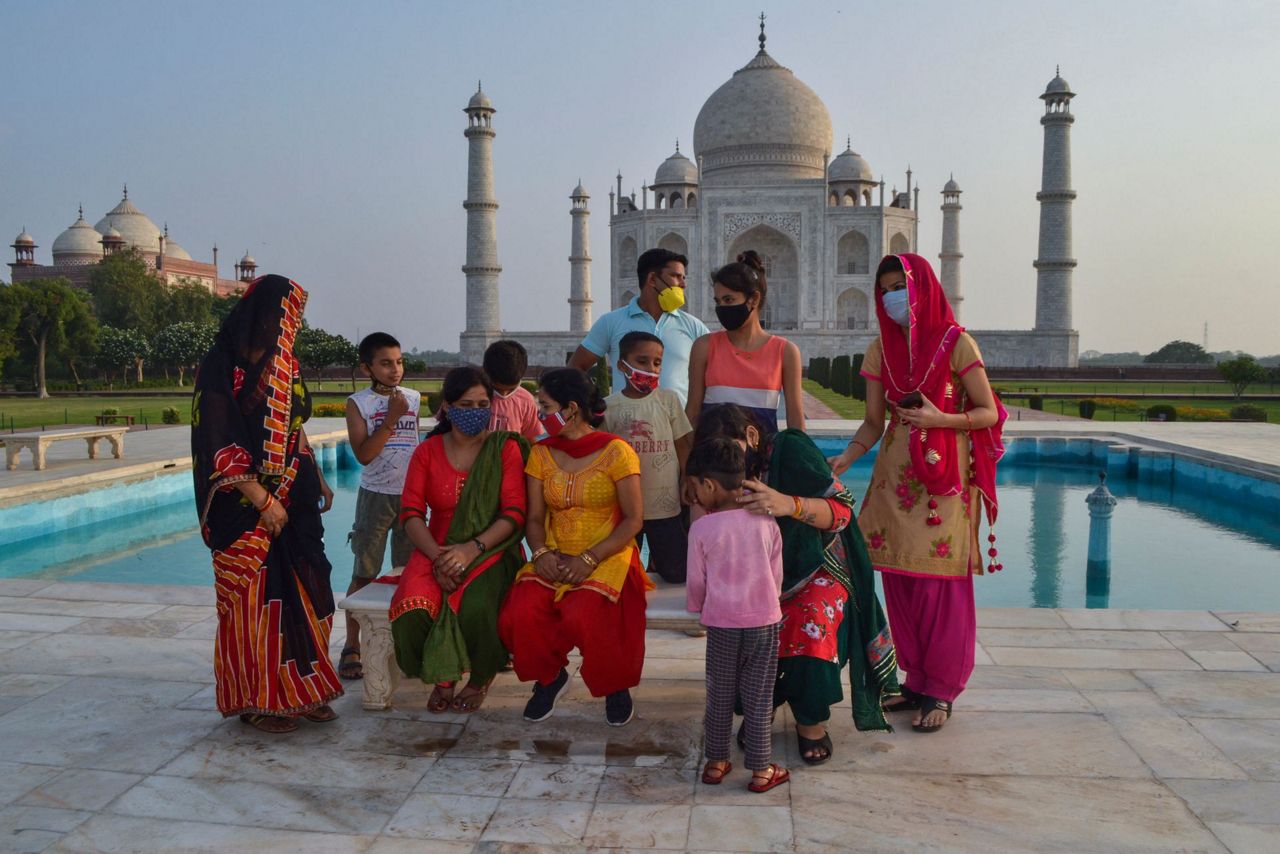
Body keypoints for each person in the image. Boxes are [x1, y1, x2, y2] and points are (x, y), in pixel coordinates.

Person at [828, 253, 1007, 733]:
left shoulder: (955, 343)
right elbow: (872, 422)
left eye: (899, 286)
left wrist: (940, 420)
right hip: (894, 478)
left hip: (943, 482)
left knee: (938, 587)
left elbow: (989, 412)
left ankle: (942, 690)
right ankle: (915, 680)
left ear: (922, 287)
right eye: (883, 289)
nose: (891, 298)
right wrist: (846, 458)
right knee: (901, 584)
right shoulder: (880, 349)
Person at [692, 403, 899, 763]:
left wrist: (788, 504)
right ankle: (762, 710)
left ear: (752, 436)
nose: (724, 458)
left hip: (816, 569)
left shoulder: (790, 449)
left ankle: (810, 722)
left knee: (808, 625)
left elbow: (842, 513)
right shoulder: (720, 474)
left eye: (730, 446)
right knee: (740, 631)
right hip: (757, 580)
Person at [191, 274, 341, 734]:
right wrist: (261, 499)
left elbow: (294, 426)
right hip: (243, 504)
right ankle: (257, 698)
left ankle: (304, 688)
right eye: (288, 313)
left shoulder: (288, 363)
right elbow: (216, 435)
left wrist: (315, 473)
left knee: (308, 585)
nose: (293, 323)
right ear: (267, 314)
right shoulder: (222, 363)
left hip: (294, 491)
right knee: (256, 600)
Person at [498, 367, 649, 726]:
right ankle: (550, 678)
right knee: (518, 614)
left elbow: (633, 520)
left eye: (545, 406)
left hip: (607, 551)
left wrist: (590, 557)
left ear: (571, 407)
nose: (540, 415)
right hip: (553, 551)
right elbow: (534, 519)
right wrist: (541, 554)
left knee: (586, 612)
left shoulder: (616, 451)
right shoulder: (541, 454)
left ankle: (615, 687)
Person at [391, 366, 529, 713]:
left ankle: (481, 677)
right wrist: (439, 557)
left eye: (483, 404)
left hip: (493, 547)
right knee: (413, 609)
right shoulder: (428, 451)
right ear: (447, 408)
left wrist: (471, 549)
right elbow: (410, 513)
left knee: (476, 606)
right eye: (466, 404)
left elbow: (513, 513)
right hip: (434, 546)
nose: (476, 412)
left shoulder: (504, 449)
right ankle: (444, 675)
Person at [686, 438, 789, 793]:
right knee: (759, 697)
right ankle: (761, 770)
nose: (694, 494)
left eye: (695, 486)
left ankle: (716, 762)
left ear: (710, 485)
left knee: (719, 694)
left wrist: (699, 609)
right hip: (764, 622)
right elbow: (776, 575)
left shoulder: (702, 528)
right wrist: (769, 602)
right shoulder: (767, 522)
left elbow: (696, 579)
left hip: (721, 625)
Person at [340, 332, 421, 680]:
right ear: (367, 367)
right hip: (375, 496)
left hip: (410, 496)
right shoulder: (358, 403)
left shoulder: (413, 398)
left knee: (406, 572)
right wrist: (390, 418)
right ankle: (352, 644)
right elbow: (364, 455)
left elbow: (414, 447)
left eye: (399, 362)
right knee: (365, 571)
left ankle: (403, 640)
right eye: (386, 363)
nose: (395, 370)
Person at [602, 331, 694, 583]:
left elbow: (682, 444)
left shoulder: (668, 400)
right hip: (624, 507)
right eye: (642, 361)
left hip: (664, 505)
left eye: (656, 363)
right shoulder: (609, 407)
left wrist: (687, 478)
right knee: (621, 574)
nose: (650, 369)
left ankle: (655, 562)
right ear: (622, 365)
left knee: (677, 573)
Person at [569, 247, 709, 404]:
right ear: (652, 280)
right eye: (676, 276)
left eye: (683, 277)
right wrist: (592, 406)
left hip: (679, 426)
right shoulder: (612, 322)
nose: (683, 284)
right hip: (625, 425)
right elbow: (576, 367)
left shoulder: (693, 326)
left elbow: (713, 376)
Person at [686, 250, 805, 435]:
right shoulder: (705, 347)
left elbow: (796, 421)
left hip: (763, 460)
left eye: (729, 300)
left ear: (753, 299)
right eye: (718, 301)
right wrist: (688, 462)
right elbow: (692, 414)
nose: (722, 308)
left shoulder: (785, 352)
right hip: (712, 460)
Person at [484, 339, 545, 442]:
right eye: (497, 389)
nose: (504, 394)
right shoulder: (475, 396)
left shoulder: (526, 400)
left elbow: (530, 439)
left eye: (511, 389)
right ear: (486, 372)